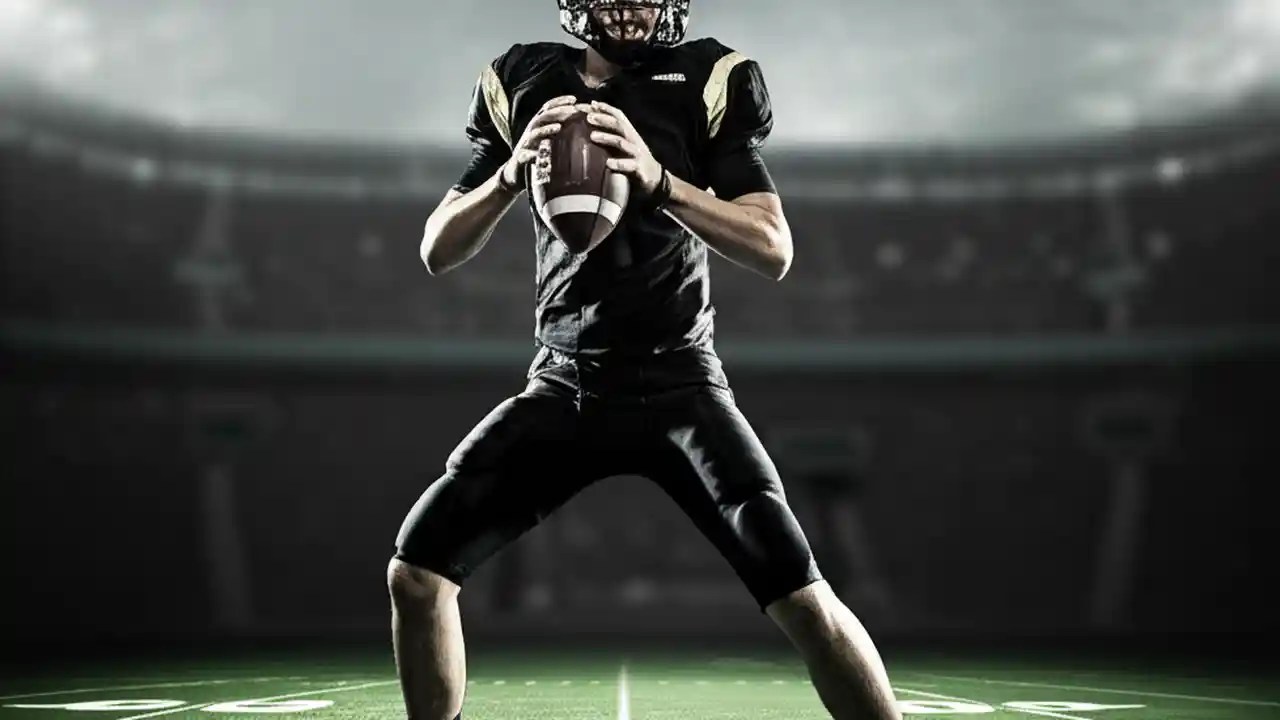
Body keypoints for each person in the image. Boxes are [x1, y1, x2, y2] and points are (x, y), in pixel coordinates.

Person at [387, 2, 901, 718]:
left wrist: (661, 181)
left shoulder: (706, 80)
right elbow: (437, 248)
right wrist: (507, 177)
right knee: (416, 576)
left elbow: (773, 246)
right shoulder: (523, 79)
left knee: (803, 599)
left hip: (679, 387)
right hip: (563, 384)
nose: (632, 7)